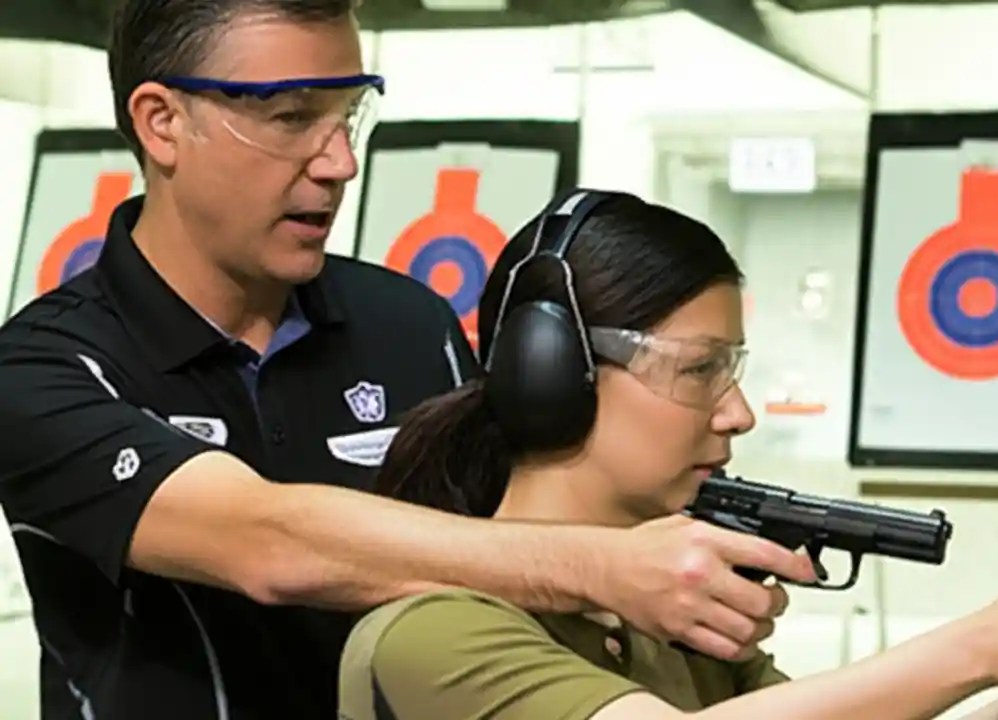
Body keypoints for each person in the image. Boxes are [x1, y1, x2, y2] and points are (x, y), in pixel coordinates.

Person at [0, 2, 815, 718]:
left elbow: (503, 534)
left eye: (348, 117)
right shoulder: (43, 371)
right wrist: (606, 567)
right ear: (161, 122)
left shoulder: (409, 323)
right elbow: (270, 544)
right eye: (290, 118)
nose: (338, 162)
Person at [339, 190, 998, 720]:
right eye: (700, 372)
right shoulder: (432, 629)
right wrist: (981, 645)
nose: (740, 414)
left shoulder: (670, 628)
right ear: (552, 372)